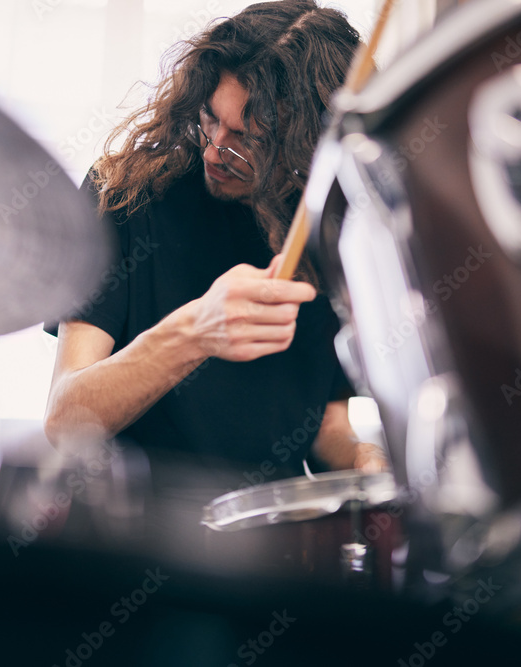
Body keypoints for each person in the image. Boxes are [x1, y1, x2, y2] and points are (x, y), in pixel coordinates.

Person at [44, 0, 386, 486]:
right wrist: (194, 332)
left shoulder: (327, 232)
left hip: (267, 521)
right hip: (135, 516)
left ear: (308, 143)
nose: (215, 150)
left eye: (249, 139)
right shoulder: (126, 192)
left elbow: (326, 427)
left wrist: (365, 457)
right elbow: (65, 419)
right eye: (209, 117)